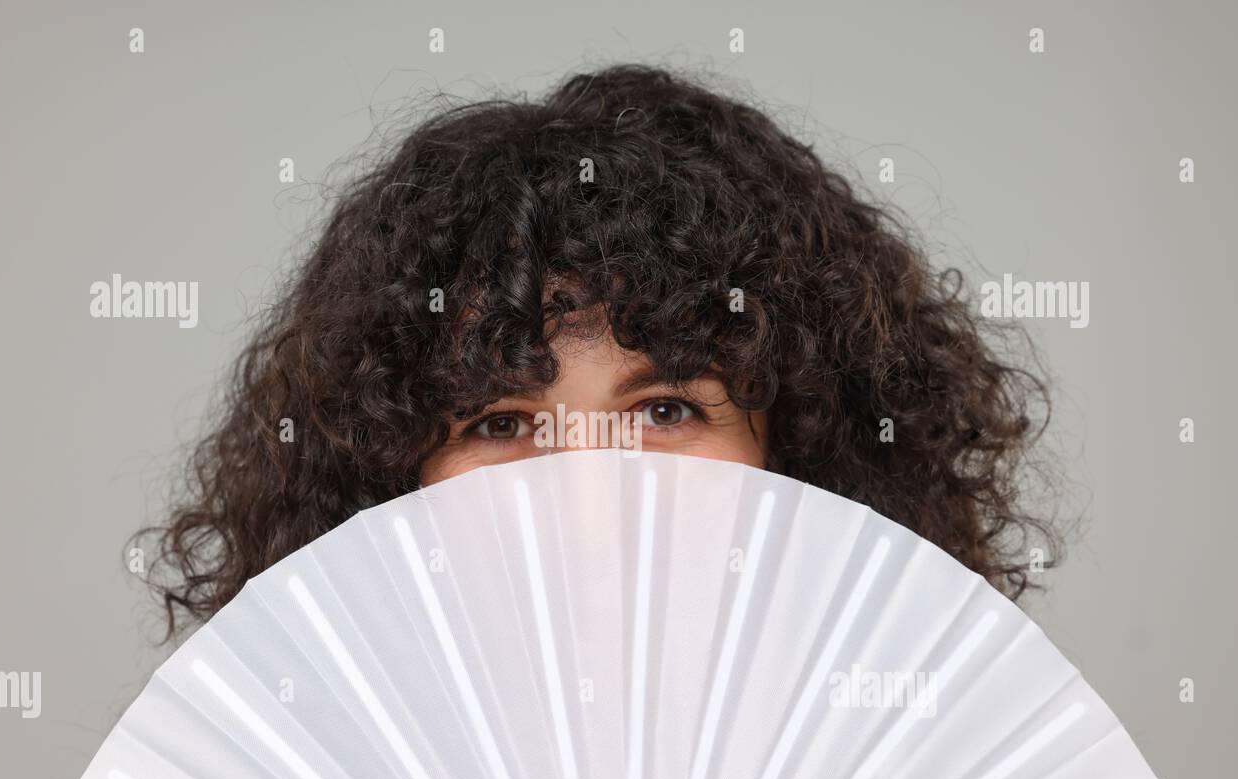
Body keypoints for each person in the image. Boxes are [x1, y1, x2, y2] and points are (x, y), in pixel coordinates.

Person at [138, 63, 1058, 645]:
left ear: (801, 456)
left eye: (665, 410)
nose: (591, 493)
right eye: (502, 423)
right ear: (390, 484)